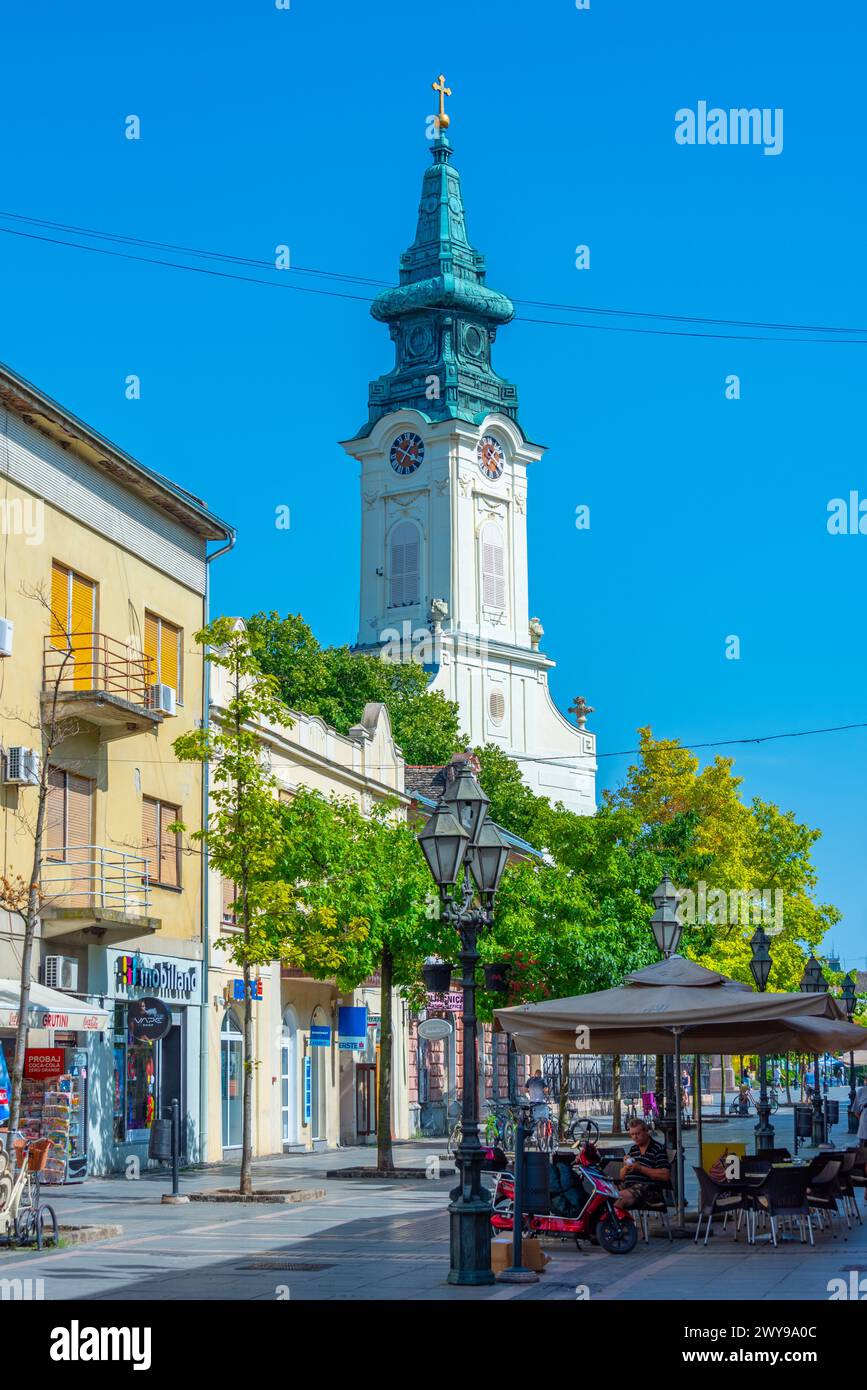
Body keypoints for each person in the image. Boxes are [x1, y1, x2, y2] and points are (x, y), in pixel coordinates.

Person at [614, 1118, 672, 1216]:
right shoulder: (633, 1149)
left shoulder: (657, 1148)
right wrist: (625, 1167)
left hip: (648, 1189)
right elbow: (622, 1177)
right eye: (632, 1134)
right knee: (604, 1194)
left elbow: (665, 1175)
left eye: (638, 1133)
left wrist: (640, 1169)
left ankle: (620, 1228)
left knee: (620, 1198)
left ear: (646, 1132)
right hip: (629, 1186)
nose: (635, 1137)